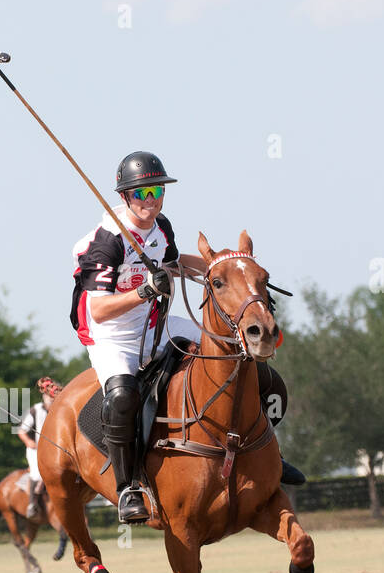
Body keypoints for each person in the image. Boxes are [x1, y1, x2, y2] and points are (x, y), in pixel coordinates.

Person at [70, 150, 306, 524]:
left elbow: (178, 262)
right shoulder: (106, 242)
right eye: (142, 193)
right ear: (125, 197)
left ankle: (265, 454)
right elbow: (95, 309)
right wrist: (145, 291)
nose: (151, 200)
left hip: (157, 324)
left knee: (236, 356)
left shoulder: (161, 227)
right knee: (122, 397)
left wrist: (227, 269)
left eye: (157, 191)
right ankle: (128, 485)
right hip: (114, 337)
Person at [17, 377, 62, 520]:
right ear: (44, 397)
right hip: (35, 450)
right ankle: (32, 504)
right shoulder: (35, 410)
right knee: (37, 474)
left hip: (57, 451)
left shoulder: (60, 410)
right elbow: (21, 431)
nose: (50, 399)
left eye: (52, 397)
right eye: (48, 397)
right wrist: (29, 442)